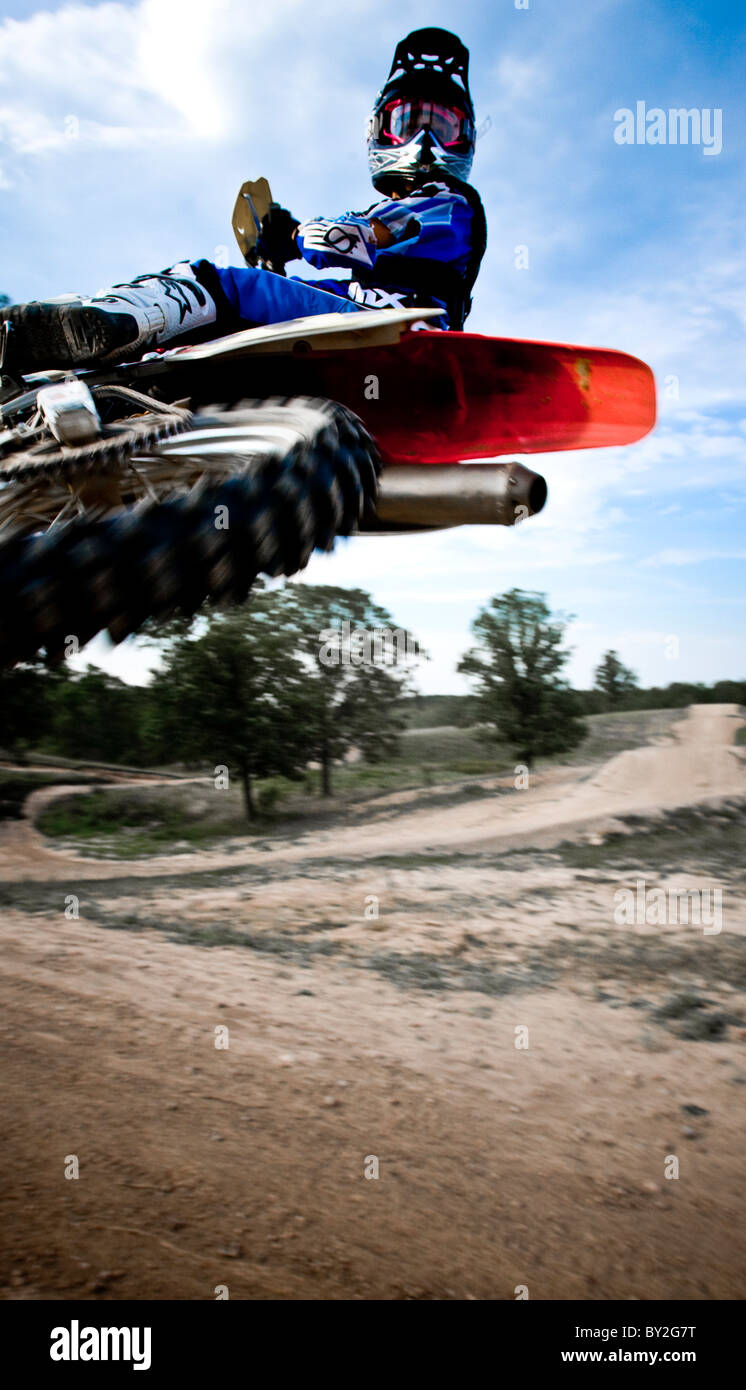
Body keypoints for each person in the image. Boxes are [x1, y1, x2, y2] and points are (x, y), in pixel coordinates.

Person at [1, 27, 486, 372]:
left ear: (464, 141)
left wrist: (292, 237)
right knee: (236, 315)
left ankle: (92, 325)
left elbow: (356, 236)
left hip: (390, 334)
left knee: (218, 284)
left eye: (443, 127)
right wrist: (282, 260)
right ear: (380, 131)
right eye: (410, 123)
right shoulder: (429, 221)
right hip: (372, 336)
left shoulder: (449, 203)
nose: (426, 142)